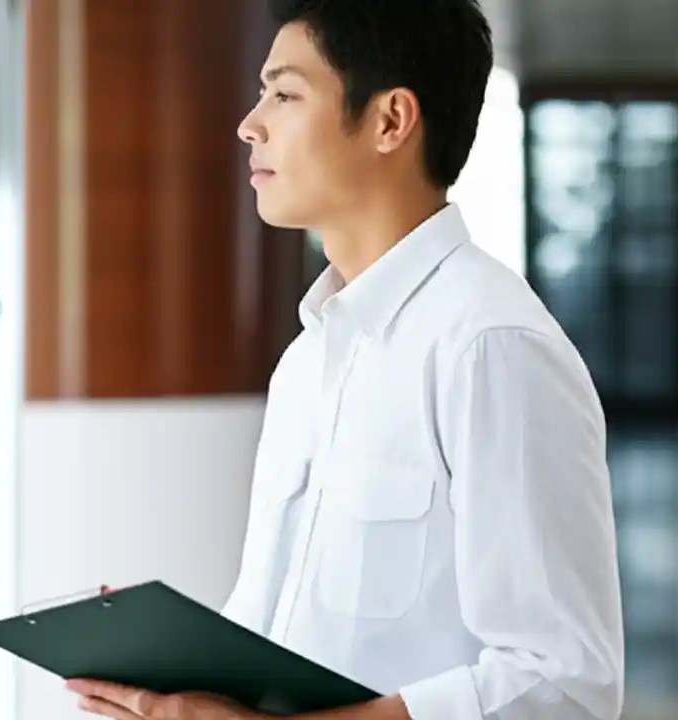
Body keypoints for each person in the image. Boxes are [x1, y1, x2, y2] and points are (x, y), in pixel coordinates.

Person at [67, 0, 625, 718]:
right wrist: (181, 687)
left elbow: (565, 683)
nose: (249, 124)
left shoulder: (490, 346)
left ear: (390, 120)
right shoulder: (309, 359)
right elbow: (281, 635)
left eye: (285, 94)